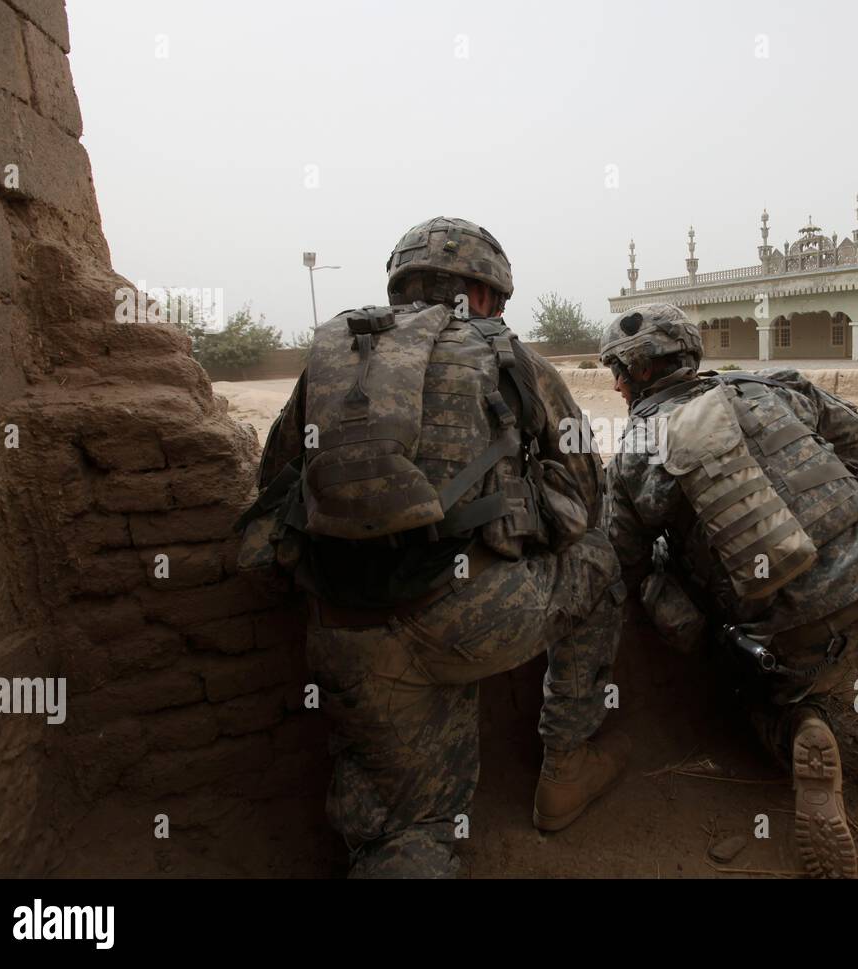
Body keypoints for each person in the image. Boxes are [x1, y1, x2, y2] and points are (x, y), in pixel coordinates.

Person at [241, 217, 628, 877]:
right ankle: (565, 760)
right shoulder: (508, 352)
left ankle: (406, 849)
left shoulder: (335, 357)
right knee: (601, 556)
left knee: (406, 829)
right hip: (478, 619)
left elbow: (273, 484)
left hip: (347, 626)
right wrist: (517, 519)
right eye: (495, 300)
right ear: (479, 294)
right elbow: (586, 491)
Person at [599, 302, 858, 879]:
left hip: (787, 646)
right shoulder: (776, 388)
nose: (614, 383)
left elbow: (624, 562)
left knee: (753, 691)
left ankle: (802, 729)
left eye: (618, 371)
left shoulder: (634, 452)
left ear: (633, 375)